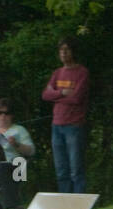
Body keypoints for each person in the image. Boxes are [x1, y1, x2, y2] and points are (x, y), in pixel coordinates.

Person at [40, 37, 89, 193]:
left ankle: (78, 201)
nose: (63, 53)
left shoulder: (82, 72)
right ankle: (64, 202)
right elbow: (45, 95)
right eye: (61, 50)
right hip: (57, 124)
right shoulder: (57, 73)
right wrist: (62, 92)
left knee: (76, 169)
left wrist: (56, 95)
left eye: (66, 49)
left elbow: (76, 98)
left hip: (74, 125)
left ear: (73, 52)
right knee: (61, 169)